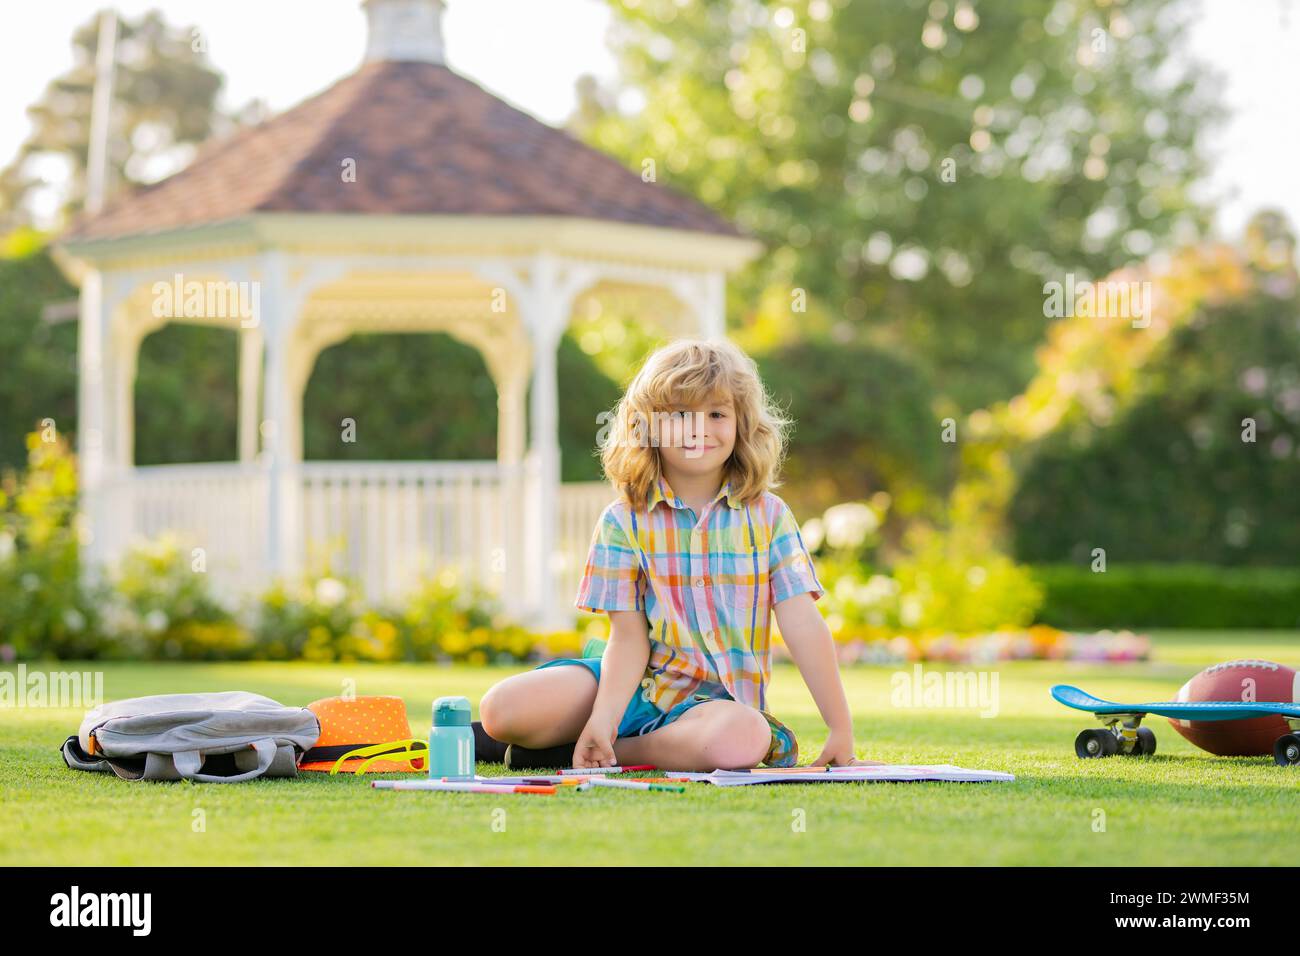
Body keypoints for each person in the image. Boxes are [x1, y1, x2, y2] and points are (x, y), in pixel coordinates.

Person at [476, 337, 875, 771]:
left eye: (716, 414)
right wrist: (604, 717)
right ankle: (592, 736)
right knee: (501, 709)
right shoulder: (623, 521)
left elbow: (802, 622)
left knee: (742, 741)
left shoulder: (770, 517)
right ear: (647, 425)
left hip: (714, 712)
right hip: (633, 689)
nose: (698, 428)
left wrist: (840, 728)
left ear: (742, 425)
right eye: (680, 414)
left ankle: (584, 753)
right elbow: (627, 639)